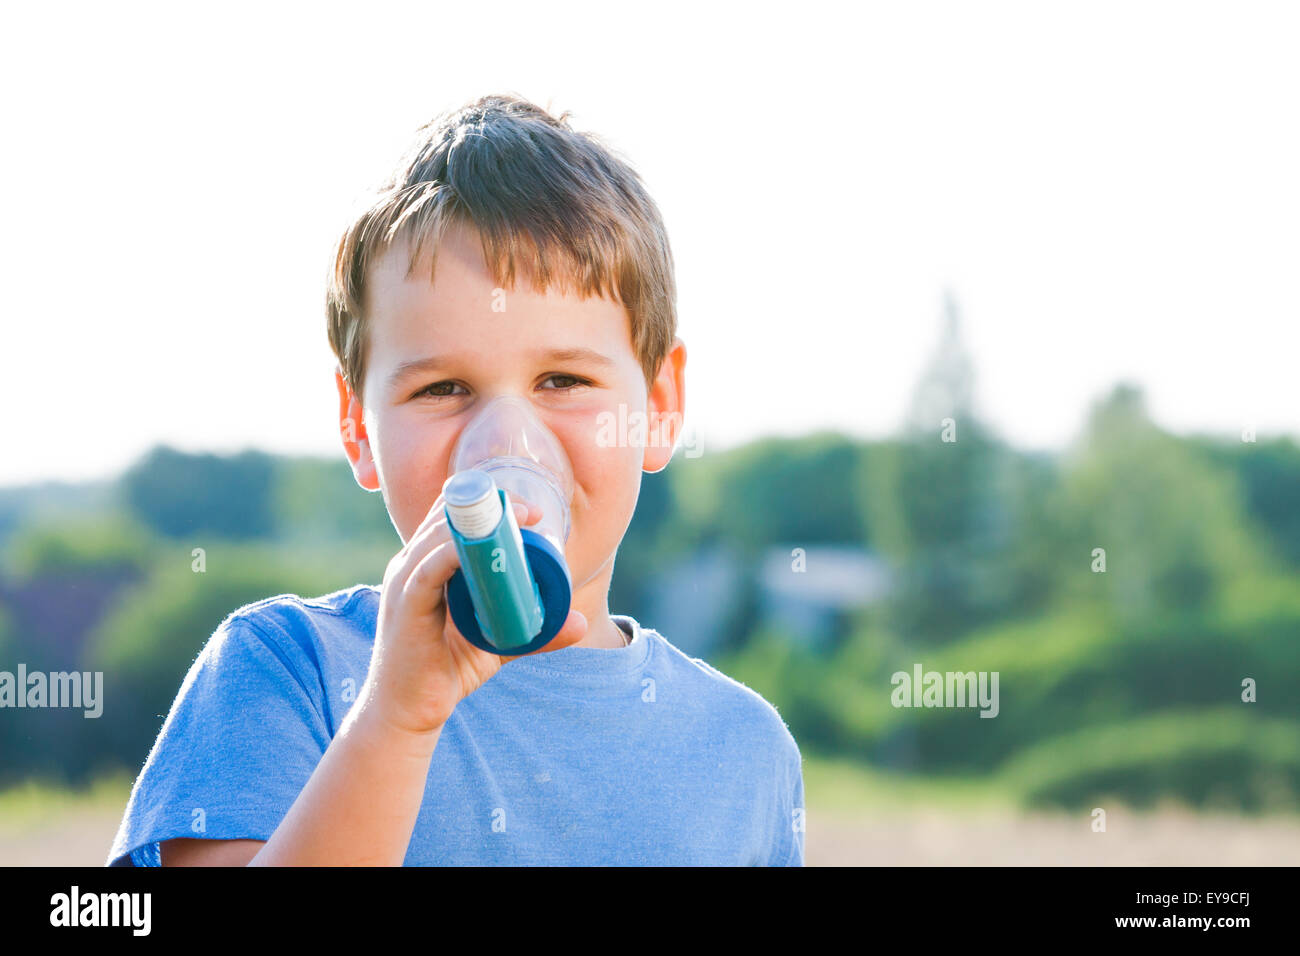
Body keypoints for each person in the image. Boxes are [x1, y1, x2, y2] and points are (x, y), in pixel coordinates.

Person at [105, 93, 804, 866]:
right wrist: (396, 723)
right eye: (441, 390)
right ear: (357, 425)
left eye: (563, 379)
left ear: (662, 406)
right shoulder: (282, 670)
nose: (505, 443)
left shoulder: (745, 750)